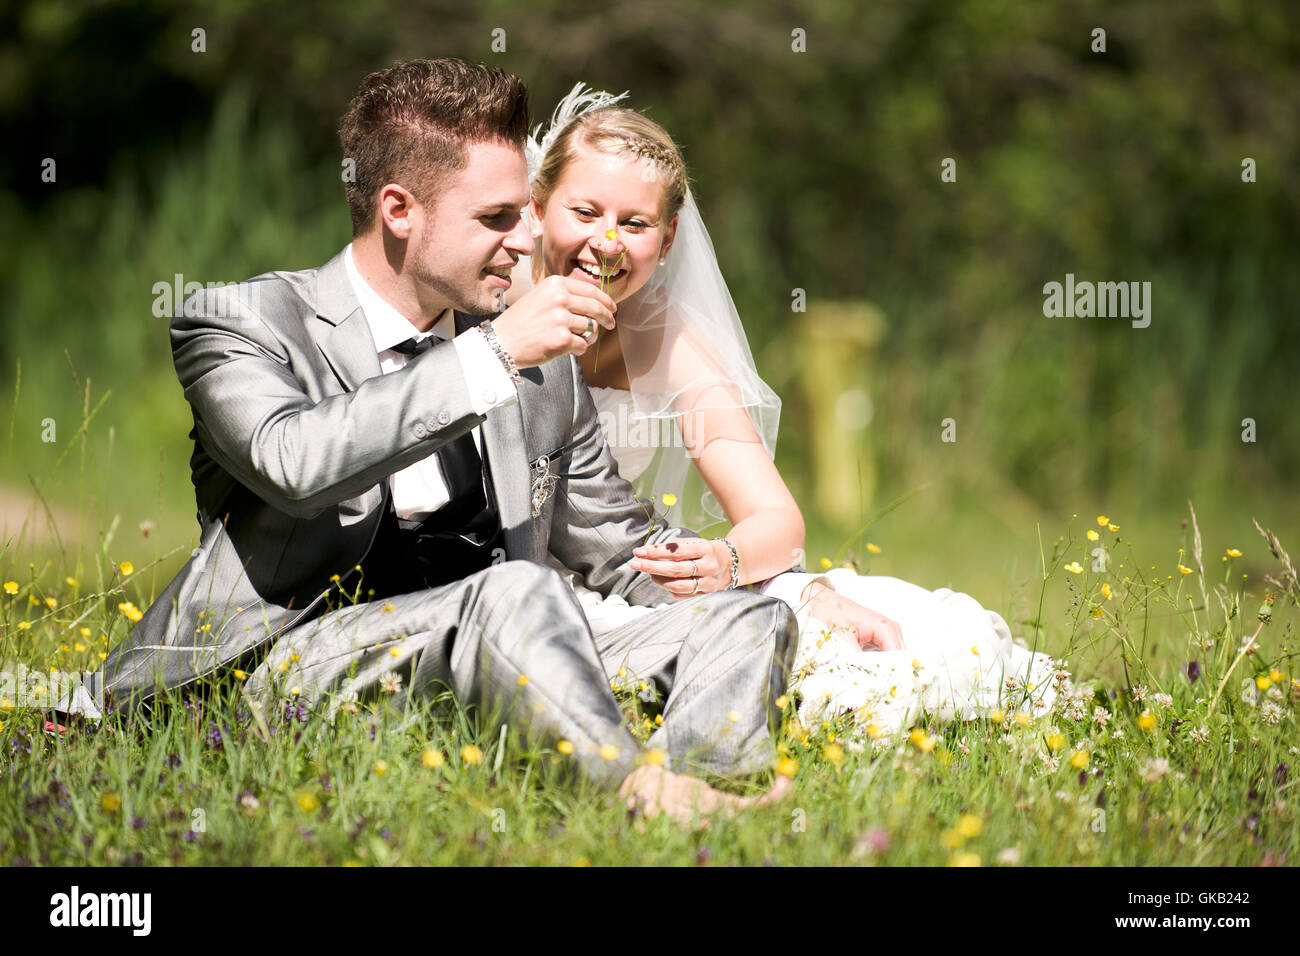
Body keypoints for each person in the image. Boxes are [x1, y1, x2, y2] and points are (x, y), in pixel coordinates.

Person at [56, 60, 798, 824]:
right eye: (498, 217)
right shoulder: (246, 324)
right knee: (514, 594)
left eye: (526, 213)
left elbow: (613, 544)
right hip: (295, 662)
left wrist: (753, 577)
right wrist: (491, 358)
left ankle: (714, 791)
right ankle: (636, 797)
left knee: (748, 620)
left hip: (491, 643)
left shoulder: (544, 369)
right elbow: (296, 464)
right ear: (400, 210)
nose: (530, 236)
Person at [519, 86, 1060, 739]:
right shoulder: (488, 305)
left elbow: (776, 520)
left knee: (864, 637)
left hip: (624, 567)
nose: (606, 242)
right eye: (585, 211)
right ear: (537, 208)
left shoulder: (667, 339)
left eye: (634, 225)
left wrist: (728, 564)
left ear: (665, 244)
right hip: (511, 579)